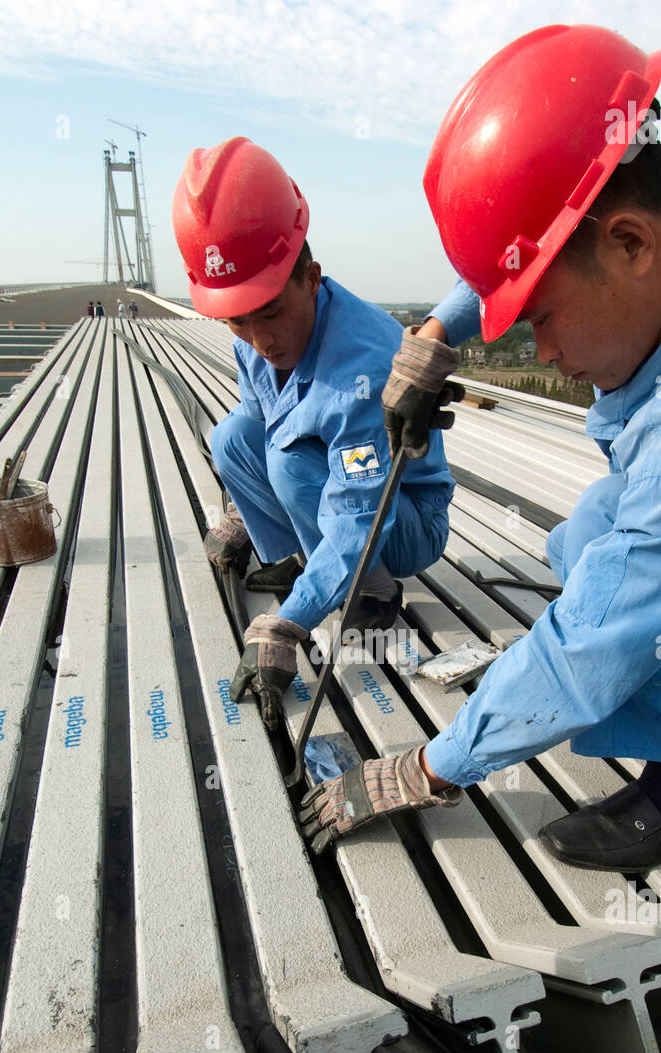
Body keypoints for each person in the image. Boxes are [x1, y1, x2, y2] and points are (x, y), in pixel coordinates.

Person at [300, 22, 661, 873]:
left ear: (631, 245)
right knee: (615, 524)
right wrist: (436, 330)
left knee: (607, 545)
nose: (539, 351)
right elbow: (576, 201)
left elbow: (594, 637)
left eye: (538, 315)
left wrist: (423, 769)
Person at [172, 137, 459, 731]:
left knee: (292, 465)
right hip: (343, 494)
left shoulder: (361, 371)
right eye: (238, 319)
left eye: (271, 312)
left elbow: (359, 513)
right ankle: (301, 559)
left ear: (310, 278)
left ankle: (373, 592)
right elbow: (259, 422)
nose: (259, 339)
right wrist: (237, 514)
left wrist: (288, 623)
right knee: (231, 437)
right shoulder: (256, 331)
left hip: (401, 517)